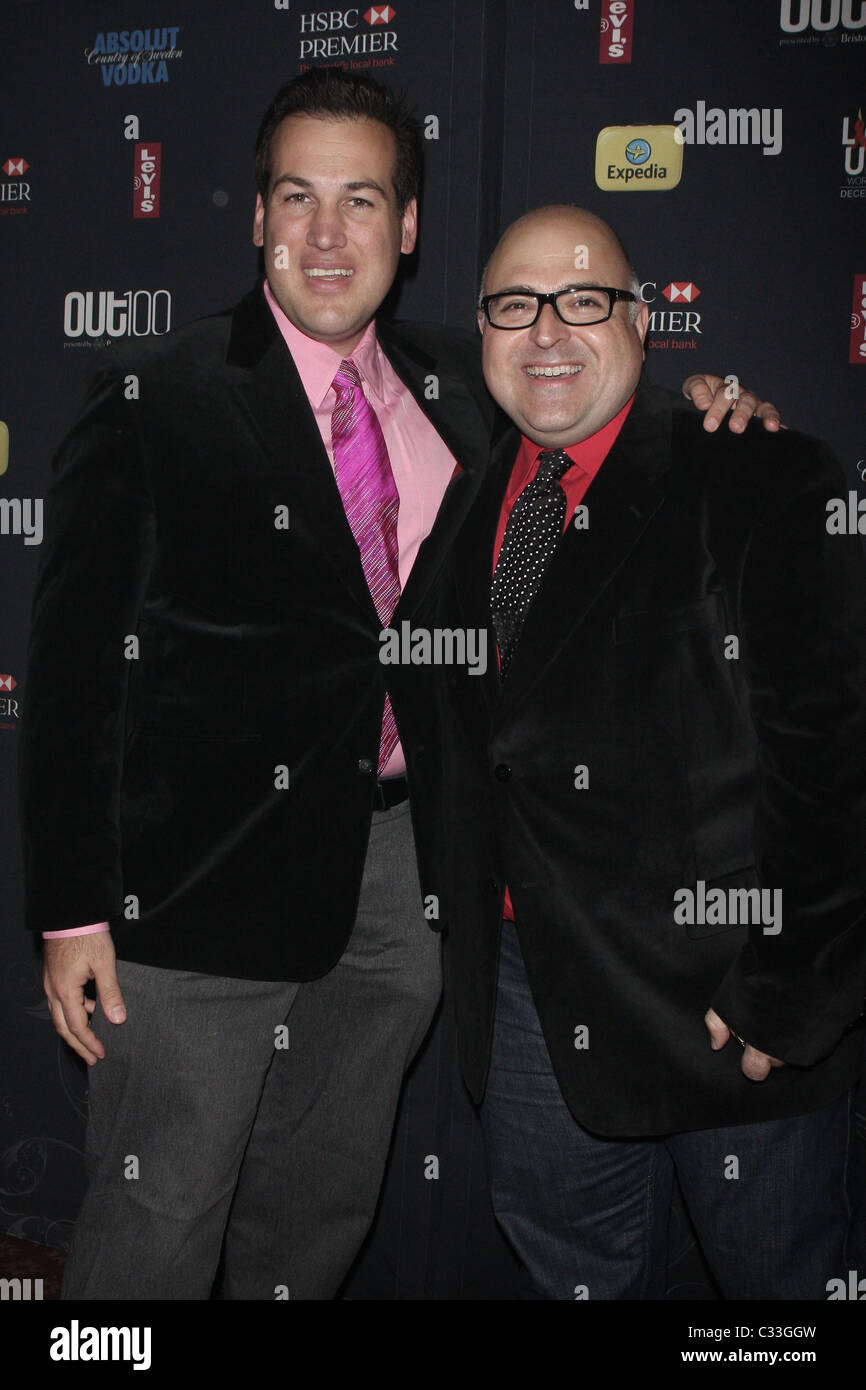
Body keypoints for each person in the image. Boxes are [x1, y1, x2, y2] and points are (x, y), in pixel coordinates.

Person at [18, 68, 776, 1301]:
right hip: (199, 907)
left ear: (408, 228)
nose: (327, 235)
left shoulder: (461, 395)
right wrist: (70, 914)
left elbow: (592, 422)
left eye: (360, 201)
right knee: (152, 1228)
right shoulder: (155, 400)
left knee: (317, 1213)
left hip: (405, 890)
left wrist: (706, 415)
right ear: (256, 218)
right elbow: (67, 681)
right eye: (298, 199)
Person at [436, 204, 866, 1300]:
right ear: (479, 329)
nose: (545, 332)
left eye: (583, 301)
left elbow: (835, 755)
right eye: (513, 305)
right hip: (528, 1000)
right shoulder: (466, 496)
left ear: (641, 322)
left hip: (721, 1008)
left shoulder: (754, 475)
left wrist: (793, 989)